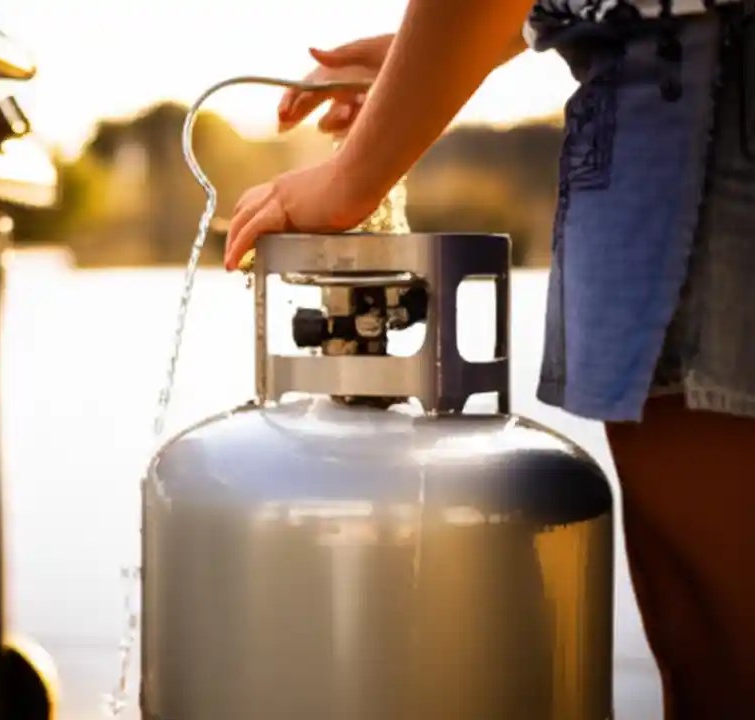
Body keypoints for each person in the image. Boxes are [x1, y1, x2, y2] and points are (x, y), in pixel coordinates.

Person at [224, 1, 755, 717]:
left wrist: (352, 178)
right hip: (679, 99)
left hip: (699, 107)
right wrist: (428, 57)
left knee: (723, 660)